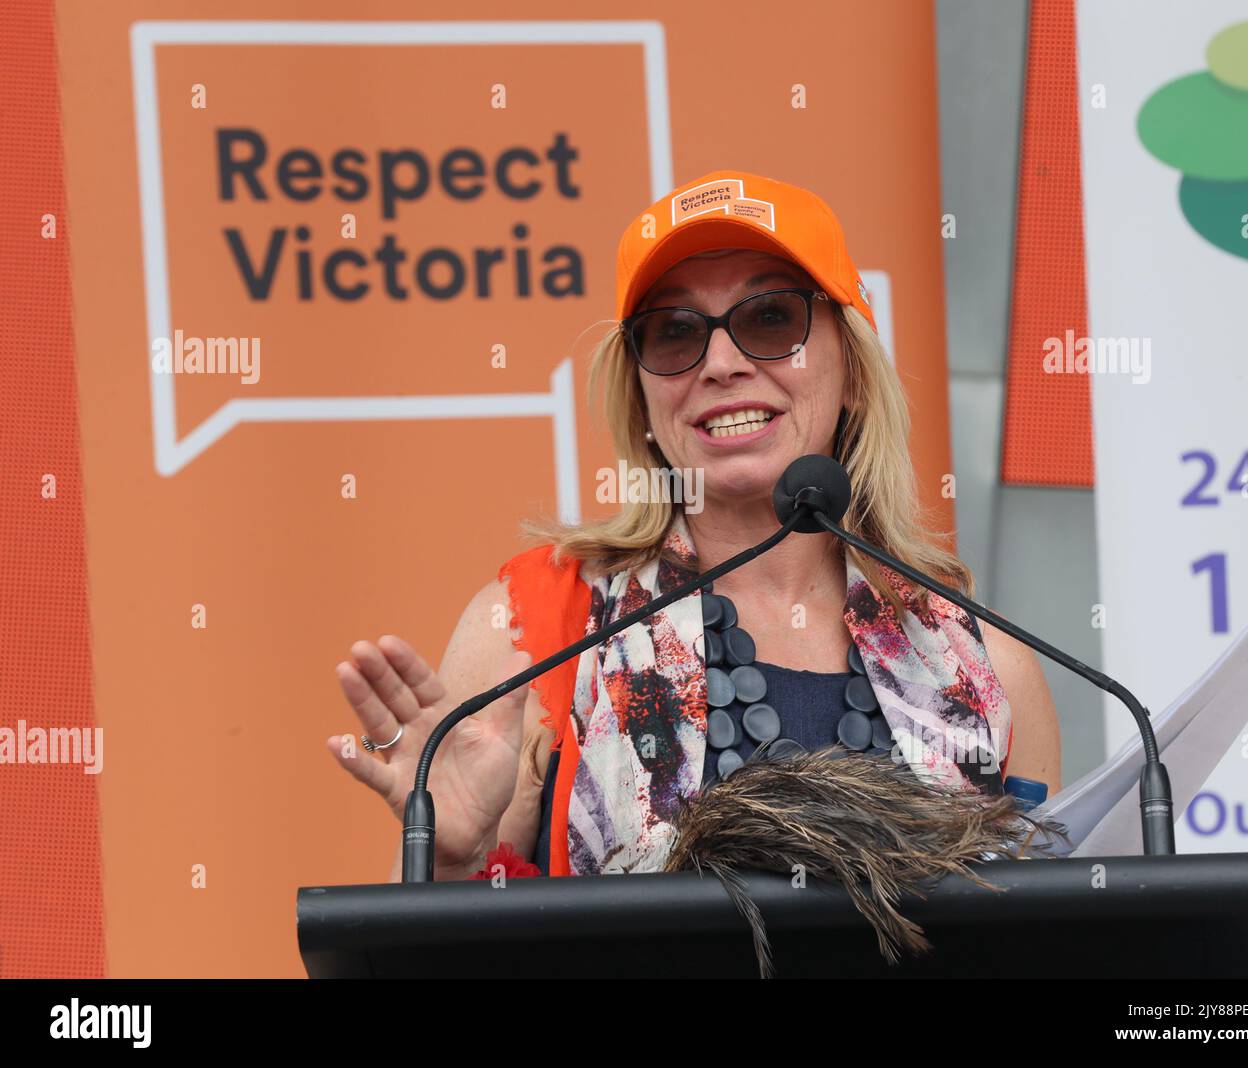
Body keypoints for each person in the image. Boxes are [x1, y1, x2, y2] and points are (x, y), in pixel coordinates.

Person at [326, 170, 1061, 882]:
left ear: (853, 368)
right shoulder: (534, 630)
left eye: (771, 316)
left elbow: (1053, 946)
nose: (721, 362)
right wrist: (450, 864)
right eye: (676, 332)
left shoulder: (988, 663)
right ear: (641, 396)